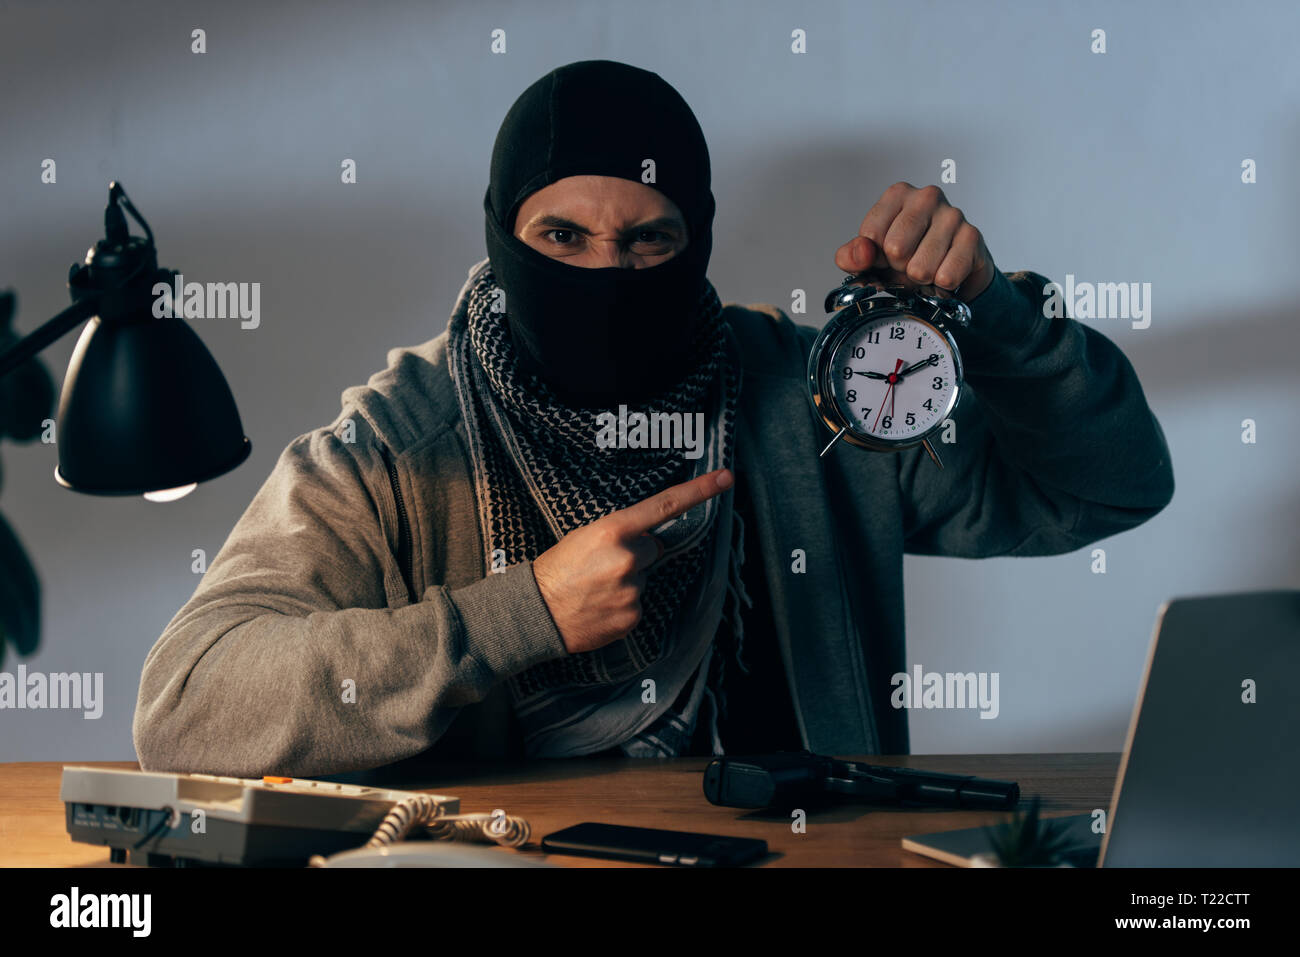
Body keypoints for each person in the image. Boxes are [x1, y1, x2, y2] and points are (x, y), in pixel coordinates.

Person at [133, 60, 1174, 778]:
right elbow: (186, 706)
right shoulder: (403, 444)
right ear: (501, 237)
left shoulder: (810, 397)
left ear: (699, 242)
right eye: (561, 236)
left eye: (647, 240)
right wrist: (522, 611)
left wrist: (990, 314)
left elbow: (1104, 485)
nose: (606, 272)